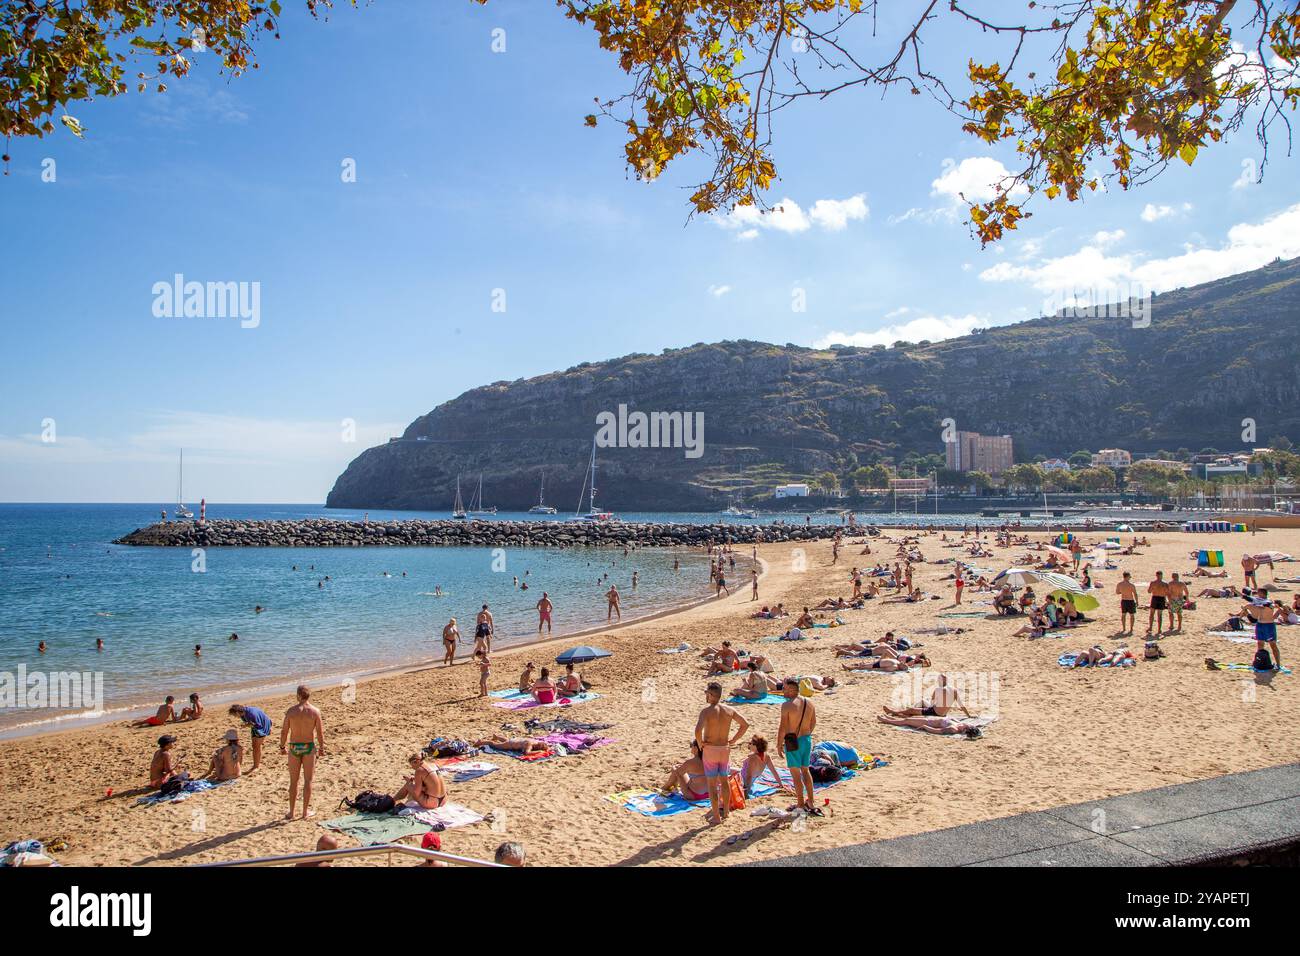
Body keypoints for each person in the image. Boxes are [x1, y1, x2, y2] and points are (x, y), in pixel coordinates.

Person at [694, 682, 749, 824]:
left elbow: (698, 731)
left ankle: (717, 816)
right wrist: (734, 740)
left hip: (711, 749)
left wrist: (700, 744)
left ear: (711, 695)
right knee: (724, 781)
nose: (705, 696)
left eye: (707, 693)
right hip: (724, 748)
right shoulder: (728, 710)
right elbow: (745, 724)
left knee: (712, 784)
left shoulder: (706, 711)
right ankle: (726, 812)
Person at [279, 685, 326, 820]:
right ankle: (305, 812)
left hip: (294, 747)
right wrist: (322, 748)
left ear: (298, 695)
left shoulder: (291, 711)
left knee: (293, 781)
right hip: (308, 747)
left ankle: (292, 812)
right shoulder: (315, 711)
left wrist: (282, 747)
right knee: (308, 780)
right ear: (309, 696)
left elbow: (284, 731)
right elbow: (319, 732)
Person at [777, 678, 817, 814]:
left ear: (792, 690)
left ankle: (800, 803)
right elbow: (813, 722)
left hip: (792, 741)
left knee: (795, 774)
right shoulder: (810, 702)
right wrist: (806, 734)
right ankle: (811, 801)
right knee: (805, 771)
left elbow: (782, 727)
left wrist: (778, 744)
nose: (783, 691)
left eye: (784, 688)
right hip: (806, 739)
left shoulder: (787, 705)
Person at [883, 673, 972, 718]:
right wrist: (968, 716)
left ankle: (894, 712)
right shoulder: (954, 690)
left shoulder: (938, 690)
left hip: (935, 713)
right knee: (922, 701)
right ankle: (909, 713)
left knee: (912, 709)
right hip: (943, 714)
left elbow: (932, 704)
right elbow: (962, 705)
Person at [228, 703, 273, 770]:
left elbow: (258, 725)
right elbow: (251, 723)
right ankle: (256, 764)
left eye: (234, 715)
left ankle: (256, 766)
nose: (235, 717)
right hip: (256, 725)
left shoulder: (251, 714)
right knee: (254, 745)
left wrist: (247, 725)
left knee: (257, 747)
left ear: (237, 712)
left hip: (263, 725)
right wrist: (247, 725)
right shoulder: (243, 713)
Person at [1245, 589, 1282, 667]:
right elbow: (1245, 597)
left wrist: (1265, 606)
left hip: (1269, 626)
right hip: (1259, 625)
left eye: (1258, 593)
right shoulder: (1258, 601)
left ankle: (1278, 664)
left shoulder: (1268, 601)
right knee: (1260, 644)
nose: (1257, 594)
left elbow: (1271, 605)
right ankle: (1259, 662)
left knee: (1273, 645)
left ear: (1262, 593)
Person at [876, 714, 983, 737]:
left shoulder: (953, 729)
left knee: (907, 720)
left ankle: (887, 721)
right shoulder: (963, 725)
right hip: (930, 719)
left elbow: (937, 731)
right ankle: (891, 719)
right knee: (908, 719)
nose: (968, 725)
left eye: (969, 727)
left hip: (928, 723)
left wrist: (925, 727)